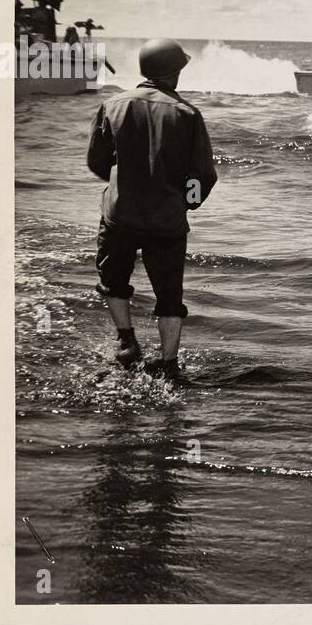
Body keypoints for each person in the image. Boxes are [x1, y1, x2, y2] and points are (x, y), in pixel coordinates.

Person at [86, 38, 218, 381]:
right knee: (169, 294)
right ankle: (169, 365)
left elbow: (97, 160)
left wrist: (124, 184)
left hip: (119, 214)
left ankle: (126, 340)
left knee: (112, 279)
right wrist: (184, 204)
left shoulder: (112, 105)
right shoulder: (188, 114)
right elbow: (202, 175)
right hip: (167, 220)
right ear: (174, 73)